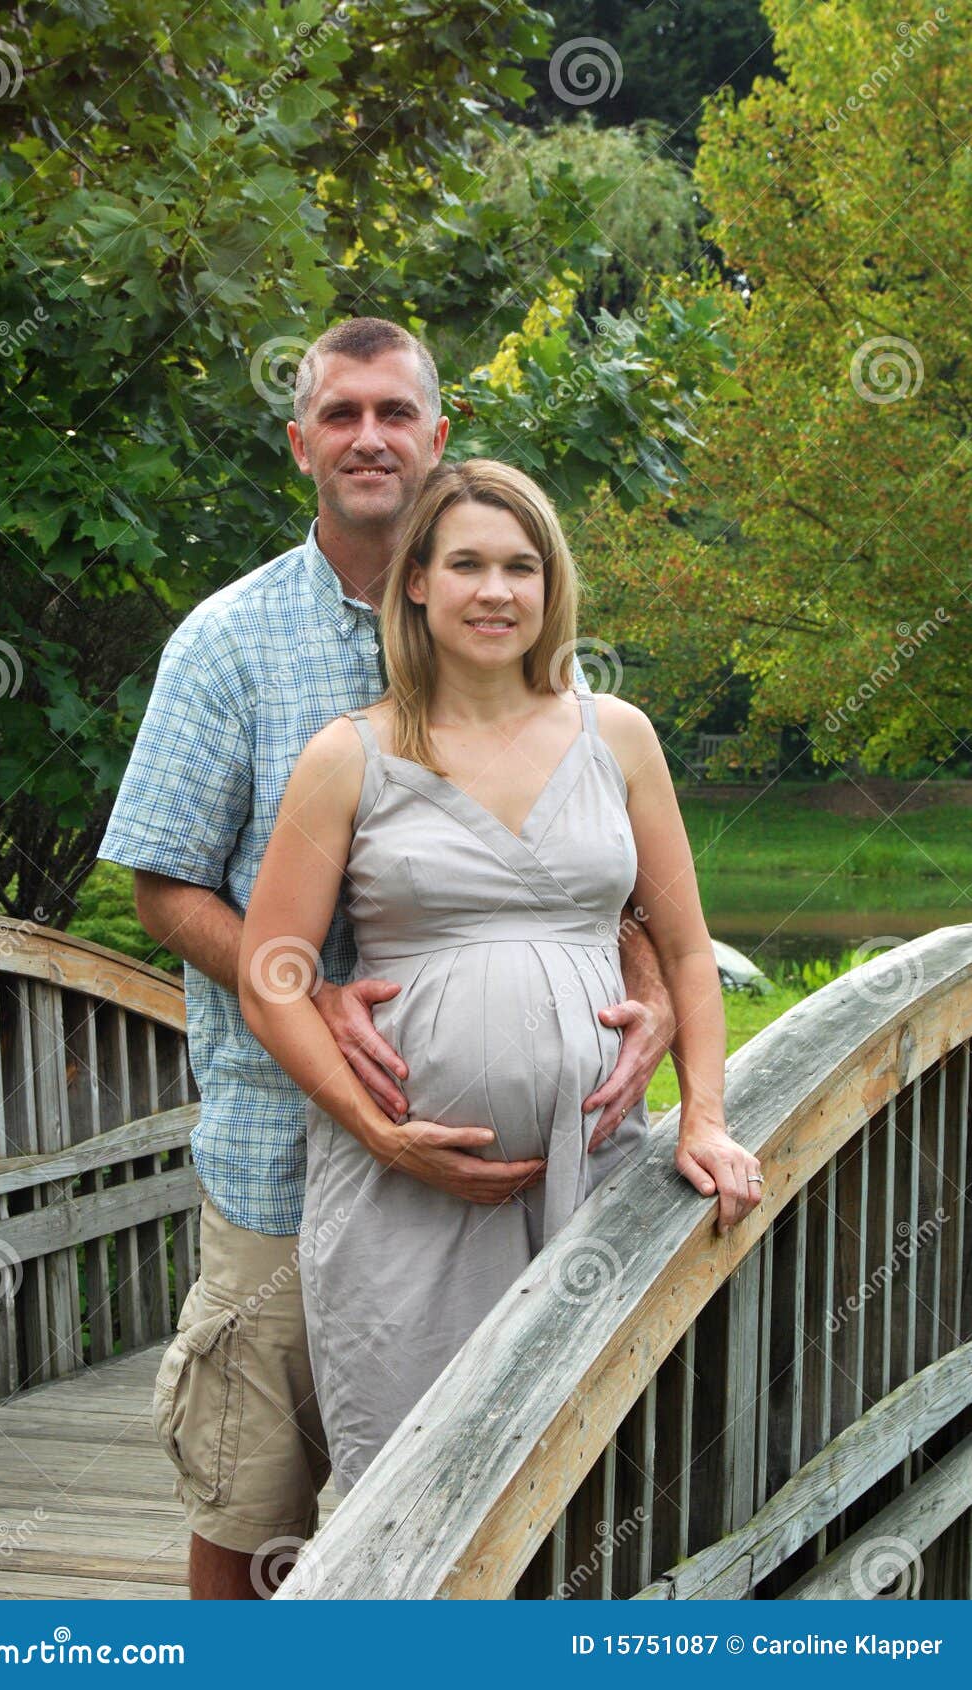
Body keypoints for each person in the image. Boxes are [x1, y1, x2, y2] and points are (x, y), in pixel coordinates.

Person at [98, 318, 675, 1599]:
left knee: (525, 1482)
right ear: (300, 443)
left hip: (540, 1171)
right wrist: (300, 985)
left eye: (395, 413)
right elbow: (160, 884)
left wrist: (647, 990)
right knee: (256, 1500)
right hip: (280, 1147)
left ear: (437, 435)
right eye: (342, 414)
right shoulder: (228, 642)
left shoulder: (510, 624)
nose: (370, 437)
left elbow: (591, 873)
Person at [237, 458, 764, 1494]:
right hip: (405, 1189)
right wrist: (378, 1130)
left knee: (594, 1476)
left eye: (521, 566)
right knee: (413, 1484)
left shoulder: (618, 738)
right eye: (467, 564)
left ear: (550, 584)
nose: (496, 591)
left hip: (597, 1173)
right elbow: (270, 975)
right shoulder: (350, 753)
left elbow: (686, 948)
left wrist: (703, 1117)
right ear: (417, 582)